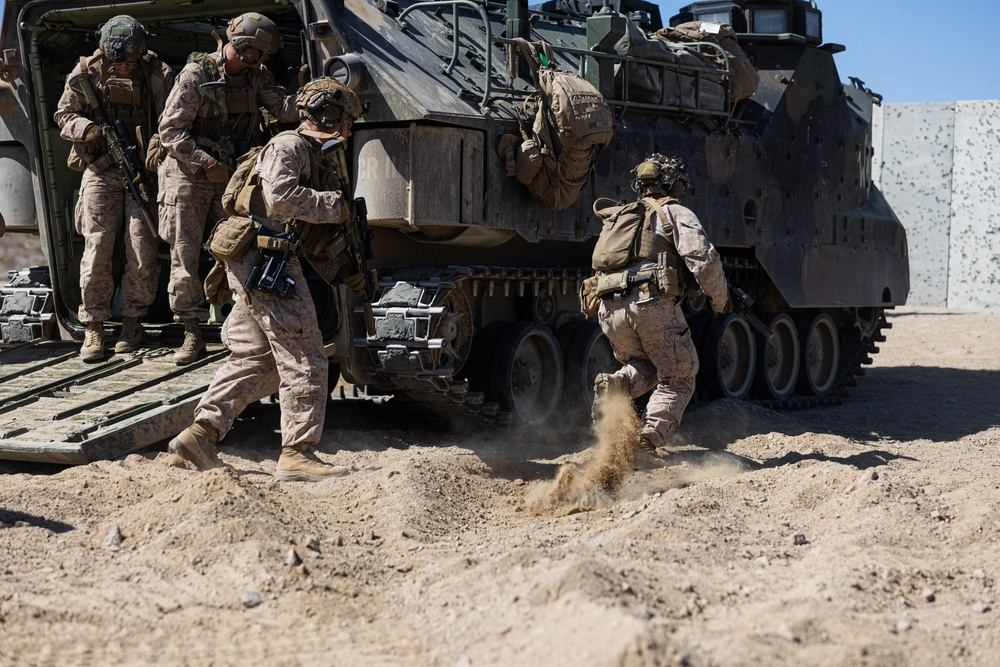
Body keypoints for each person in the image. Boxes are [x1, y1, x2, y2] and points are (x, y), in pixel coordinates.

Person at [167, 77, 368, 482]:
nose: (348, 130)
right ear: (328, 116)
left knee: (255, 357)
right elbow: (280, 199)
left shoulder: (311, 152)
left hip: (264, 261)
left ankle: (199, 435)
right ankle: (298, 452)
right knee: (305, 352)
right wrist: (335, 206)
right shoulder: (289, 145)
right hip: (267, 261)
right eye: (346, 120)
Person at [157, 12, 297, 365]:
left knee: (238, 251)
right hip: (188, 176)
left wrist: (310, 99)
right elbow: (171, 132)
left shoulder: (257, 76)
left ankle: (242, 331)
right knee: (185, 254)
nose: (262, 62)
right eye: (258, 55)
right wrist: (207, 163)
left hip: (228, 178)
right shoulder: (195, 75)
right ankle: (191, 333)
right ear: (247, 50)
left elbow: (281, 109)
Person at [590, 154, 732, 455]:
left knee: (647, 364)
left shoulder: (620, 218)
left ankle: (617, 383)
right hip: (650, 303)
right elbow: (703, 260)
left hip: (608, 307)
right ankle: (648, 441)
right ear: (671, 183)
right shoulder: (675, 213)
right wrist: (720, 301)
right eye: (681, 183)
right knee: (680, 375)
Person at [54, 15, 175, 362]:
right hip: (100, 169)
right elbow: (64, 115)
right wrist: (88, 129)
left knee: (142, 247)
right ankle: (93, 326)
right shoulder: (85, 73)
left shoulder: (156, 72)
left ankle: (133, 322)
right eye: (119, 61)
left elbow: (172, 117)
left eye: (131, 61)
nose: (125, 66)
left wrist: (158, 147)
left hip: (140, 172)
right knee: (96, 249)